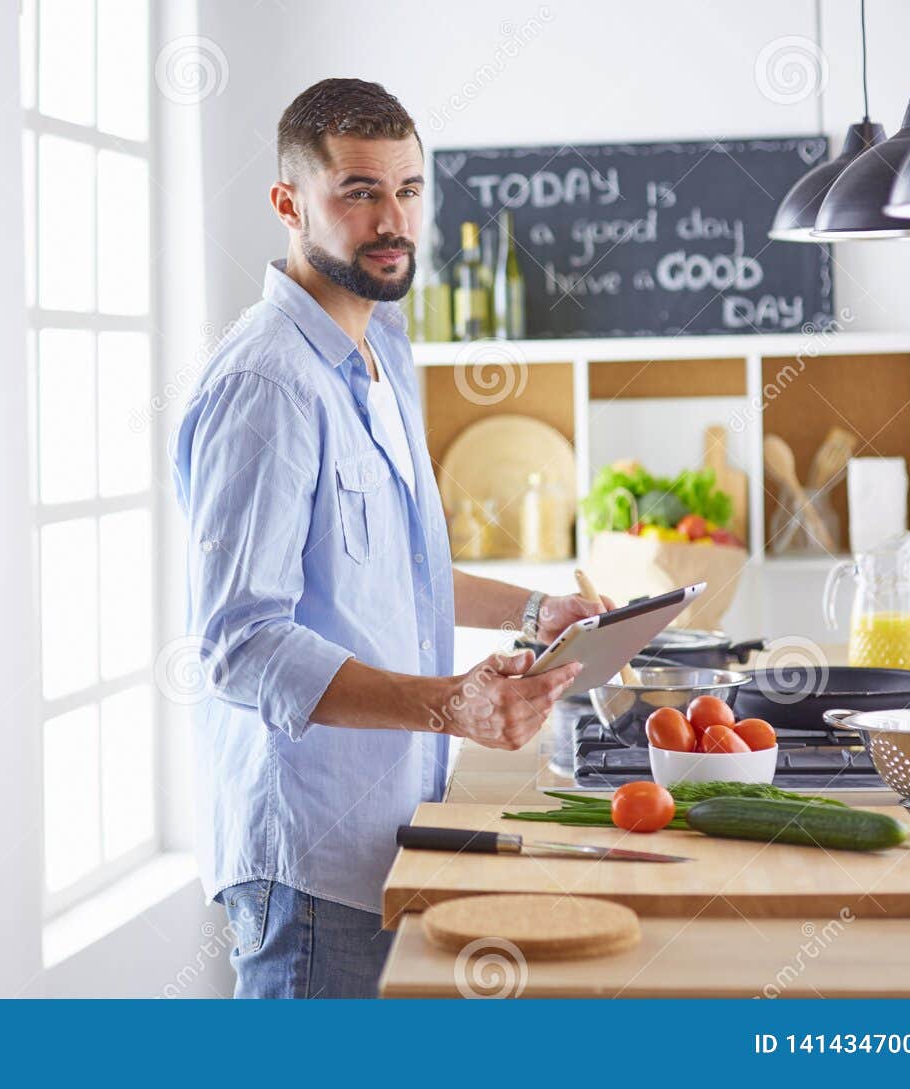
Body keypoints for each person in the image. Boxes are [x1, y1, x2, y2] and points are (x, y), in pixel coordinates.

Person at [171, 78, 605, 999]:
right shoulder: (268, 385)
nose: (393, 219)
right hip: (310, 866)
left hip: (391, 836)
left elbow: (397, 571)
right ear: (290, 204)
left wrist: (534, 608)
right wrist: (451, 705)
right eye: (360, 192)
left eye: (409, 190)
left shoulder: (384, 349)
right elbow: (241, 646)